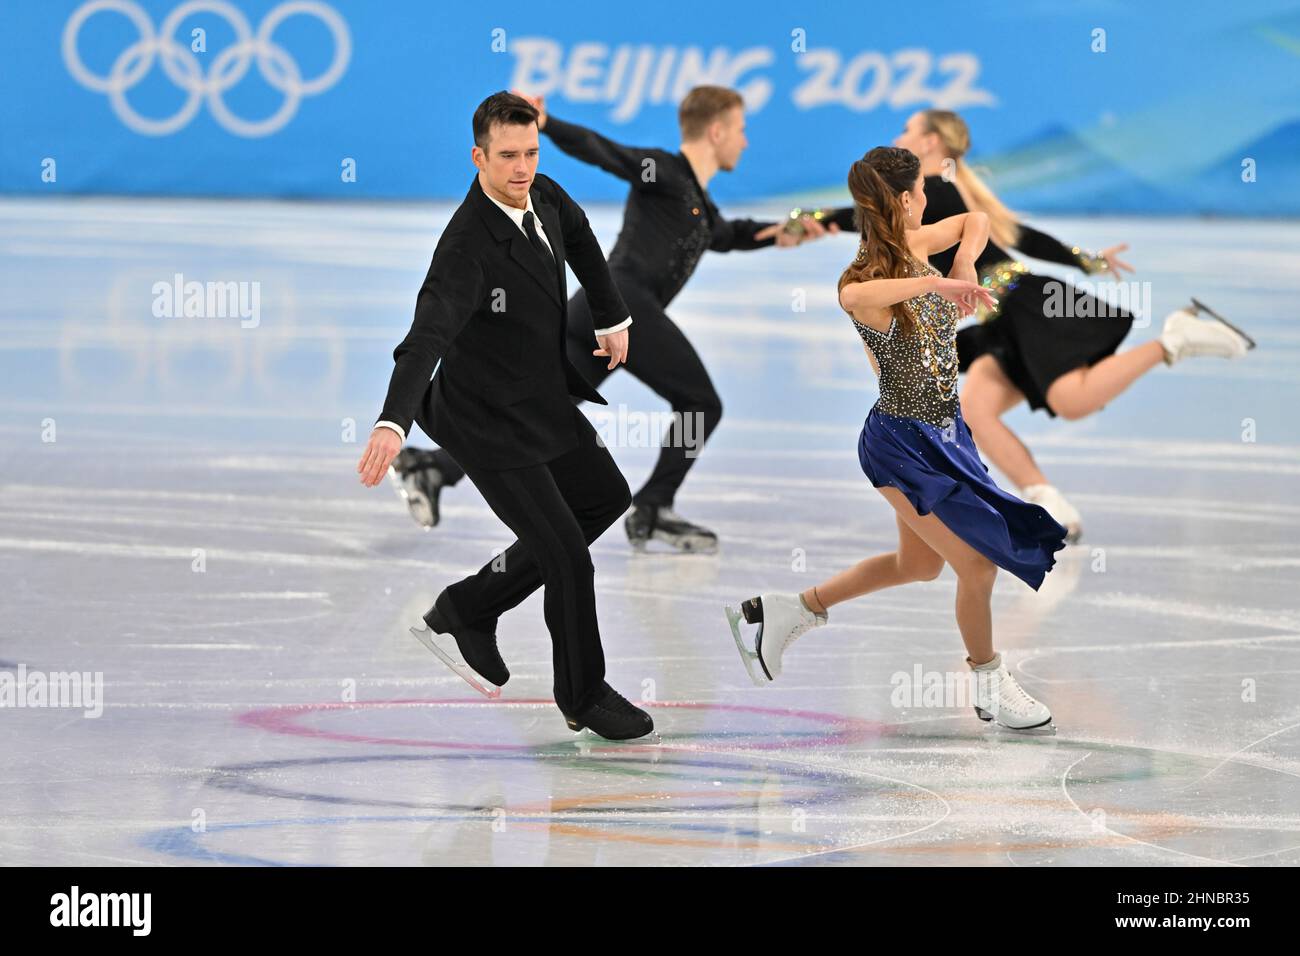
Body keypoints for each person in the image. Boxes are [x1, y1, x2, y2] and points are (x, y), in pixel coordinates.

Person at [391, 85, 830, 552]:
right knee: (701, 403)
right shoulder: (663, 171)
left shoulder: (697, 202)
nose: (745, 141)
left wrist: (794, 229)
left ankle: (432, 466)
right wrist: (548, 122)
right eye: (741, 130)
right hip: (621, 306)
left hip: (595, 310)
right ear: (717, 131)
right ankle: (654, 507)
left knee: (548, 407)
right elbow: (605, 152)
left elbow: (727, 233)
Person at [727, 147, 1067, 732]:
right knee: (978, 568)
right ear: (906, 199)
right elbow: (854, 300)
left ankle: (789, 611)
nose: (931, 200)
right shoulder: (865, 276)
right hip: (901, 446)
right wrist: (934, 286)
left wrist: (961, 266)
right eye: (923, 192)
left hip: (946, 437)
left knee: (918, 566)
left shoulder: (918, 245)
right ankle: (989, 682)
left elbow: (974, 222)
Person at [355, 91, 653, 741]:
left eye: (530, 152)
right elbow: (426, 336)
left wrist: (611, 314)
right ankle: (582, 694)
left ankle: (470, 604)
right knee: (568, 558)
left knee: (604, 497)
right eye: (508, 157)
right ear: (479, 158)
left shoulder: (544, 195)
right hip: (484, 420)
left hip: (539, 397)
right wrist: (392, 421)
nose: (522, 168)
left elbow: (581, 238)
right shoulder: (466, 246)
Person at [818, 111, 1256, 540]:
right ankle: (1045, 498)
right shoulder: (950, 188)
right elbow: (1019, 235)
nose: (900, 135)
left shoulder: (931, 189)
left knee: (1071, 399)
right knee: (978, 411)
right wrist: (1087, 259)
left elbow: (866, 212)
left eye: (908, 129)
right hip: (1002, 313)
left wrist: (806, 221)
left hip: (1020, 307)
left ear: (931, 141)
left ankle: (1171, 342)